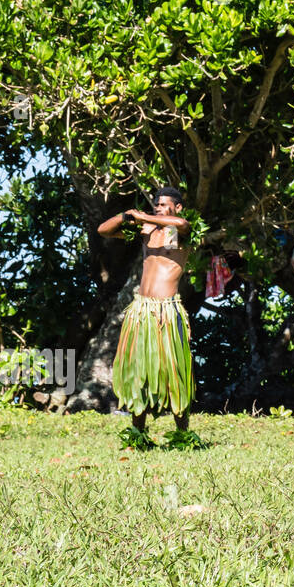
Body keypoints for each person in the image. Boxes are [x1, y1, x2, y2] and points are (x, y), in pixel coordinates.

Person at [97, 186, 200, 449]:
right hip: (141, 310)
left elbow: (180, 223)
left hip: (168, 310)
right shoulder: (147, 231)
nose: (158, 208)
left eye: (164, 204)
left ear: (177, 206)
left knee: (175, 373)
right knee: (137, 371)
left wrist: (144, 217)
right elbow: (103, 230)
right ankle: (138, 435)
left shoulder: (182, 233)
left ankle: (182, 435)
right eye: (156, 204)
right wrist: (126, 216)